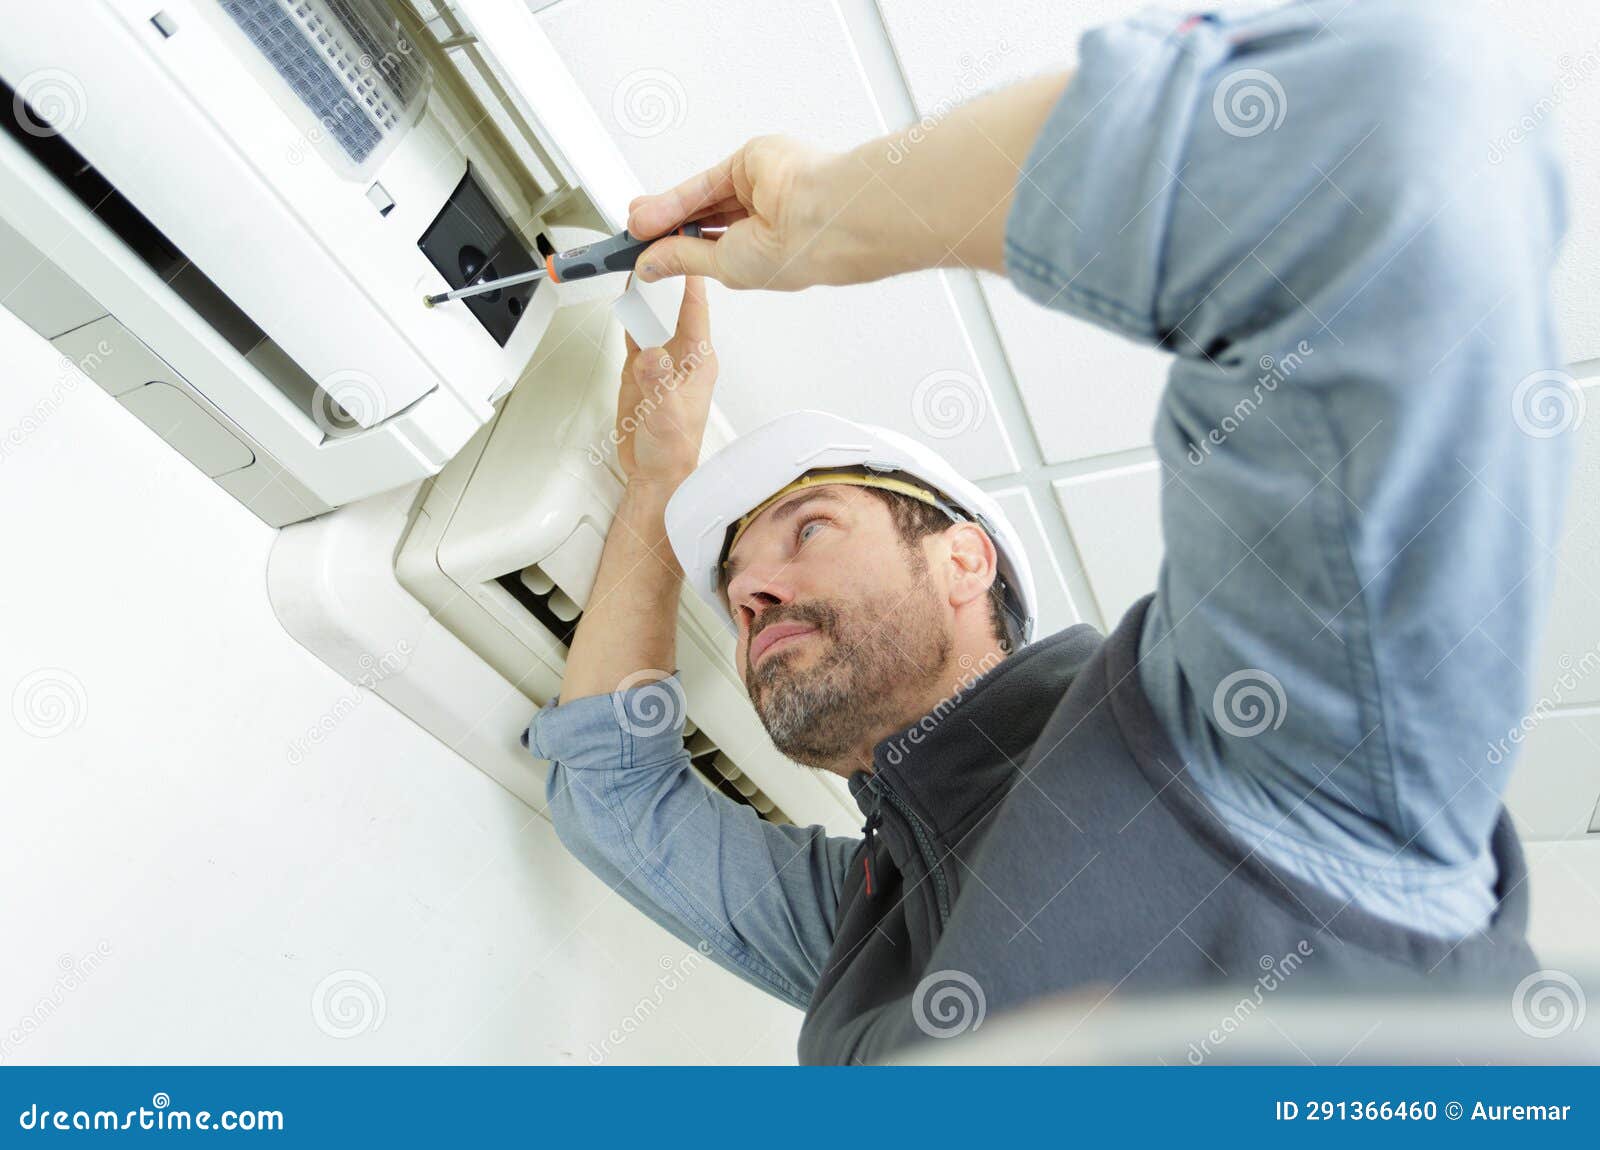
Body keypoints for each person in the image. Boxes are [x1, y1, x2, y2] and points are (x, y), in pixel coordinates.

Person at [522, 0, 1573, 1063]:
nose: (746, 594)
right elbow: (612, 796)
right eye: (735, 581)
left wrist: (823, 215)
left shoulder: (1231, 730)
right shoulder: (868, 939)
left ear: (963, 556)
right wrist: (657, 486)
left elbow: (1372, 134)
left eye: (807, 528)